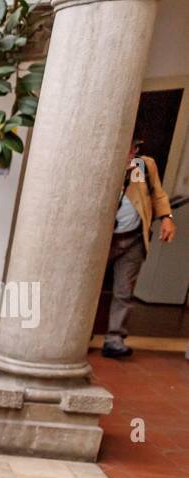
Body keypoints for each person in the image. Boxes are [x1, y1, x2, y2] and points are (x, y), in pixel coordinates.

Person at [102, 135, 176, 358]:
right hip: (102, 242)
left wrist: (166, 217)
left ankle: (114, 339)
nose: (131, 155)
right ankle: (79, 335)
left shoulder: (142, 166)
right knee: (88, 291)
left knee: (124, 292)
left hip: (133, 238)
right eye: (127, 150)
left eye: (134, 149)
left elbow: (157, 194)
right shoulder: (102, 164)